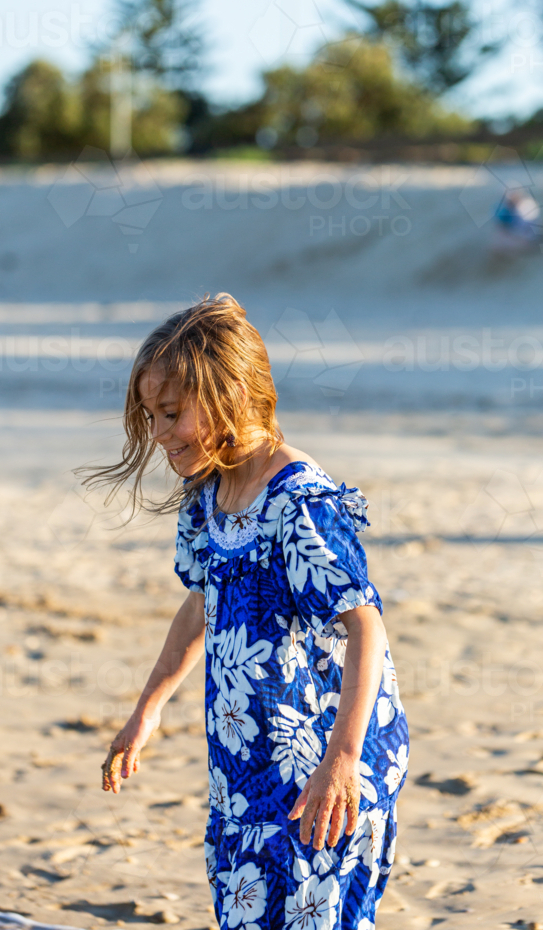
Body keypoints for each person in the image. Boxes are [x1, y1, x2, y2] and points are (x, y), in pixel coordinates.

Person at [89, 294, 409, 929]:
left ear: (231, 395)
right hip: (247, 761)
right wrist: (146, 713)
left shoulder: (299, 503)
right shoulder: (208, 494)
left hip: (328, 757)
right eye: (151, 415)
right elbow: (201, 602)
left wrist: (342, 757)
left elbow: (365, 622)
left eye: (172, 414)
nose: (157, 436)